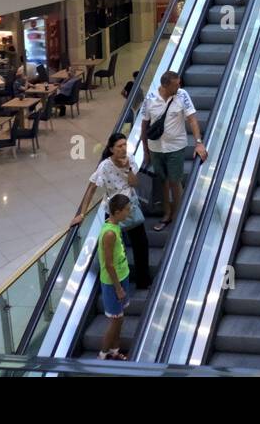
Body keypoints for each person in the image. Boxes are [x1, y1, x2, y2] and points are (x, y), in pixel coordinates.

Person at [72, 133, 150, 292]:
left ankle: (143, 281)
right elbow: (91, 189)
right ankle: (117, 284)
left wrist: (128, 168)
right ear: (111, 149)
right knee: (113, 250)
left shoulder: (131, 159)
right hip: (114, 212)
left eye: (125, 145)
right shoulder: (105, 166)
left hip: (130, 208)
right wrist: (82, 214)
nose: (123, 149)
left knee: (141, 245)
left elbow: (134, 183)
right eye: (119, 146)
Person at [142, 70, 206, 230]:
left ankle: (178, 215)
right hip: (156, 148)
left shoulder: (182, 95)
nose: (180, 86)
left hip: (176, 147)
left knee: (175, 180)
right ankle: (167, 213)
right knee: (162, 180)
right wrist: (145, 150)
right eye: (176, 84)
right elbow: (144, 124)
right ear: (165, 86)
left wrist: (198, 142)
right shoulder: (150, 99)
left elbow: (192, 119)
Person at [95, 193, 132, 360]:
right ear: (117, 212)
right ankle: (102, 355)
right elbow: (108, 264)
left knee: (120, 318)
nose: (129, 213)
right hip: (113, 283)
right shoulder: (109, 233)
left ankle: (115, 350)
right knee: (115, 321)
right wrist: (118, 289)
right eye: (126, 210)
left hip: (122, 276)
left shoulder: (115, 226)